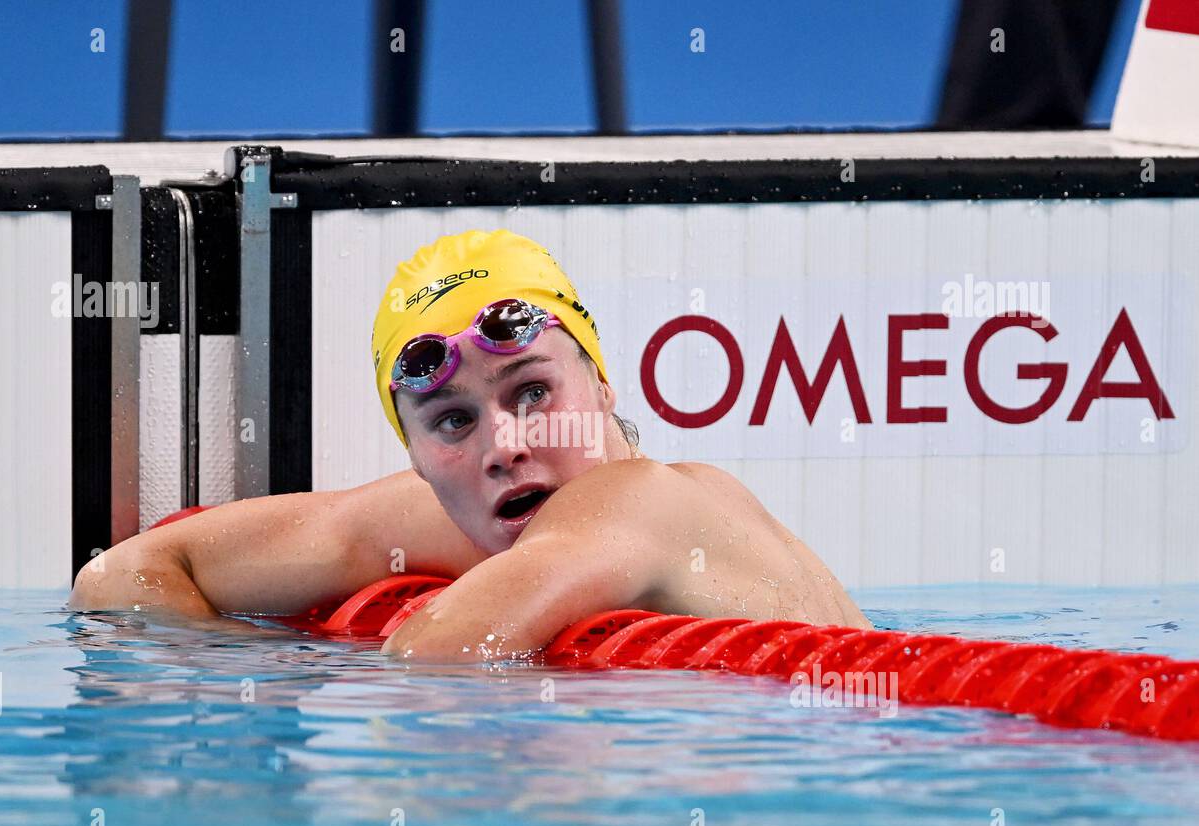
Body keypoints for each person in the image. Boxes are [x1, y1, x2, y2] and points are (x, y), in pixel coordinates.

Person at [70, 229, 870, 661]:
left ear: (603, 385)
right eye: (453, 420)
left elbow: (437, 657)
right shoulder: (476, 517)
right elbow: (125, 572)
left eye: (533, 390)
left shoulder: (637, 499)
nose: (505, 446)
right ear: (415, 459)